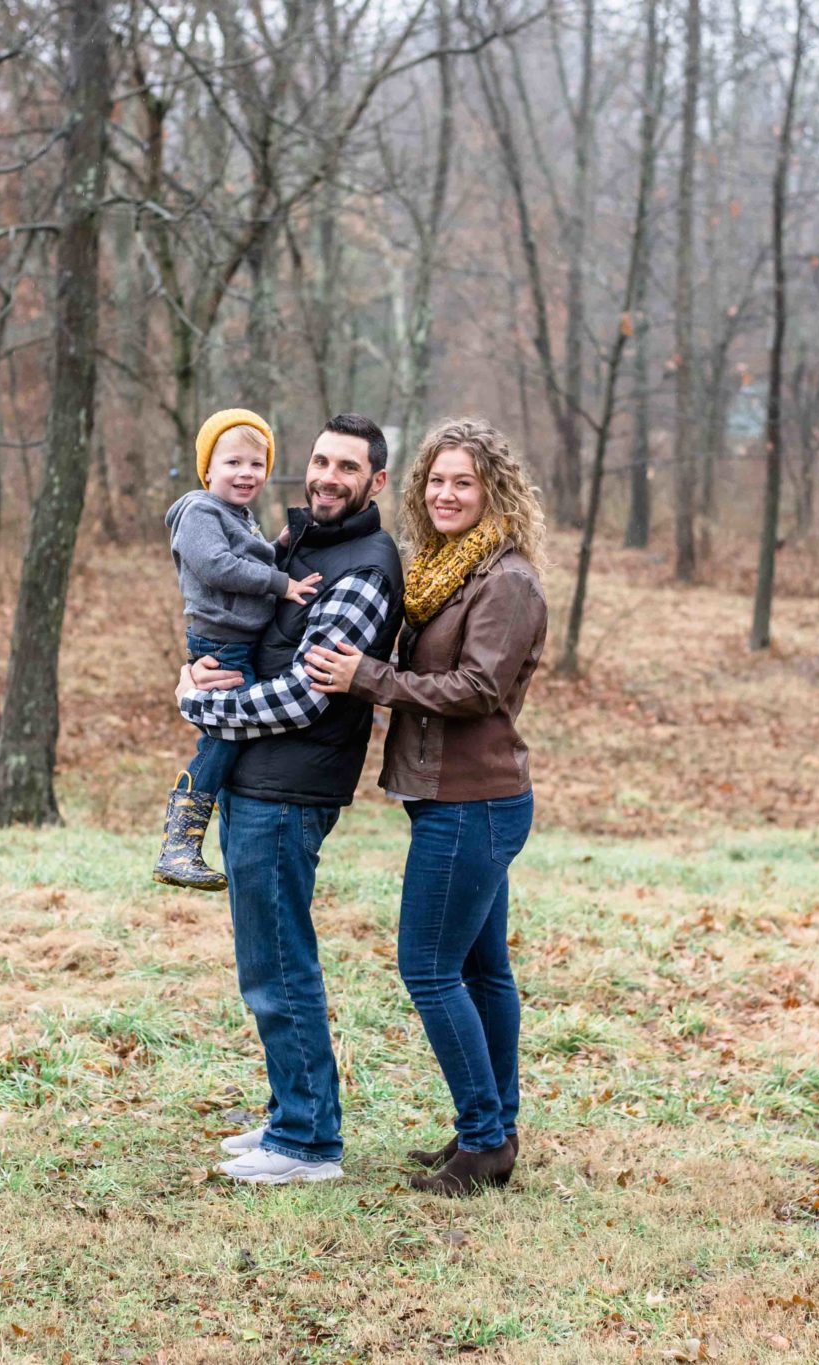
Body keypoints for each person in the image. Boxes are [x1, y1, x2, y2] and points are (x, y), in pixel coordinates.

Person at [302, 418, 547, 1196]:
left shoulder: (506, 580)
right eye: (437, 479)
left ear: (493, 491)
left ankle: (484, 1142)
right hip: (455, 796)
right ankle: (492, 1128)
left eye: (463, 481)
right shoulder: (448, 569)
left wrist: (368, 677)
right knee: (483, 971)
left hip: (472, 800)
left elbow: (478, 690)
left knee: (429, 968)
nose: (446, 493)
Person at [174, 414, 403, 1185]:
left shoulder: (364, 567)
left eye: (348, 468)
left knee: (280, 965)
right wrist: (198, 673)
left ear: (376, 483)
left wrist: (204, 709)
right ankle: (290, 1116)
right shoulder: (304, 542)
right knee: (262, 962)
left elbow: (308, 694)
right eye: (320, 460)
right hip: (256, 776)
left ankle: (307, 1142)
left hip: (289, 786)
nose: (327, 476)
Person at [154, 410, 322, 891]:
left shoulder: (238, 517)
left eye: (256, 463)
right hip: (221, 644)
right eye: (233, 463)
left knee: (231, 733)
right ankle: (179, 844)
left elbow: (243, 559)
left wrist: (278, 545)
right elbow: (217, 566)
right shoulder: (199, 511)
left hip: (237, 642)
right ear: (207, 470)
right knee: (227, 734)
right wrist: (281, 582)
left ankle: (188, 841)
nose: (246, 473)